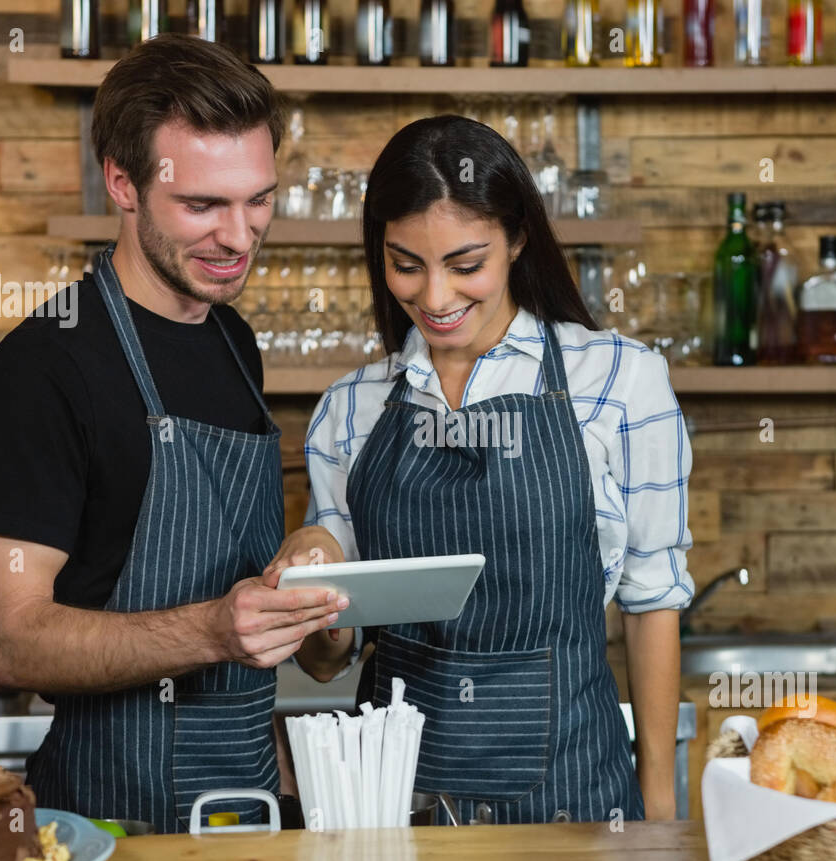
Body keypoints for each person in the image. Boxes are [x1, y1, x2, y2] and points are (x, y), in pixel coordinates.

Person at [0, 35, 345, 834]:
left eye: (260, 199)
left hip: (244, 811)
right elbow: (7, 638)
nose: (240, 238)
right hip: (107, 818)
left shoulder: (233, 343)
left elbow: (253, 593)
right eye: (203, 206)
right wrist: (212, 629)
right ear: (122, 182)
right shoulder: (44, 365)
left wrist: (316, 597)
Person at [292, 115, 693, 824]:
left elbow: (651, 600)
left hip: (576, 799)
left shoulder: (621, 381)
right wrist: (311, 595)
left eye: (465, 264)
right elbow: (329, 660)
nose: (436, 299)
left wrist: (659, 812)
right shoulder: (351, 408)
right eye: (406, 265)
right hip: (394, 809)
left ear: (517, 238)